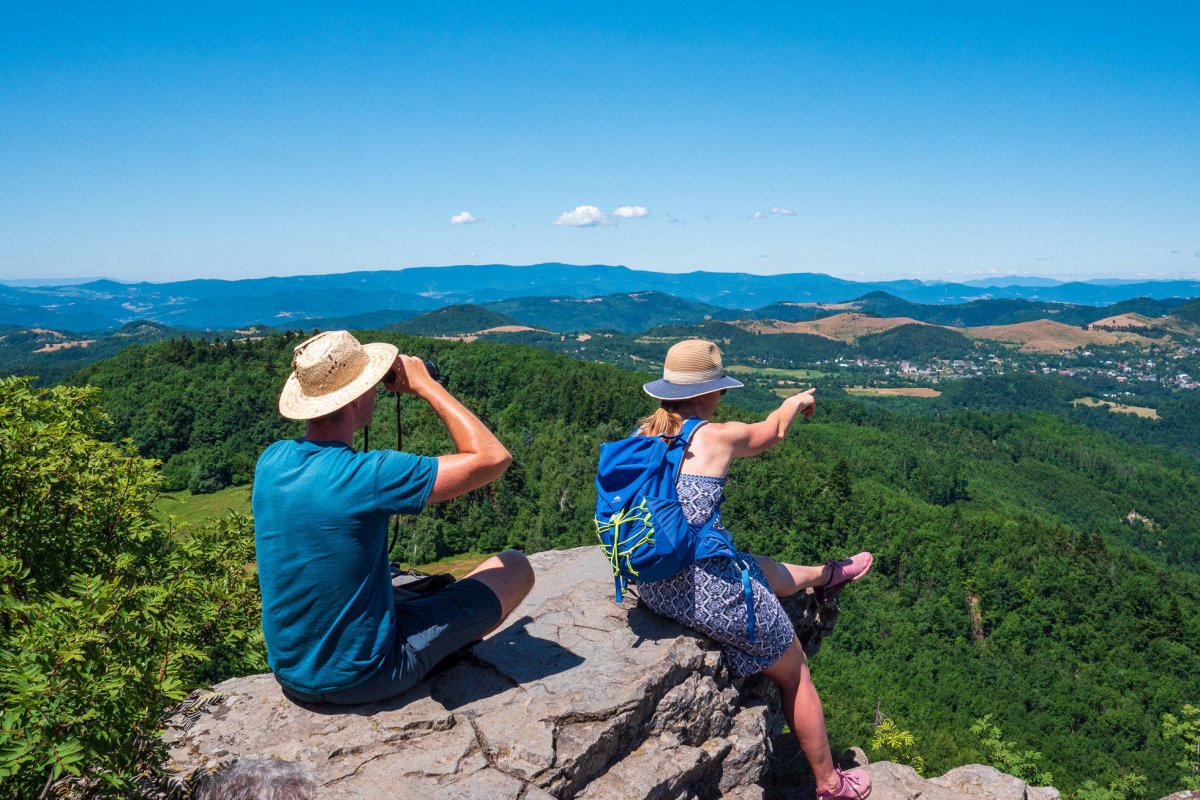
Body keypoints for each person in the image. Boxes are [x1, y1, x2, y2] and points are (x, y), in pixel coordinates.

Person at [632, 339, 873, 799]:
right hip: (700, 590)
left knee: (752, 565)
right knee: (796, 671)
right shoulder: (714, 436)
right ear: (710, 392)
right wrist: (794, 402)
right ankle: (830, 784)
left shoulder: (642, 435)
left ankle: (825, 576)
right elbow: (773, 433)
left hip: (650, 581)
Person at [252, 330, 534, 705]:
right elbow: (493, 458)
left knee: (413, 586)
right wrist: (426, 386)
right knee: (515, 567)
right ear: (355, 398)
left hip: (290, 671)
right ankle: (444, 651)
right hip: (367, 674)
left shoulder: (270, 461)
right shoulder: (368, 474)